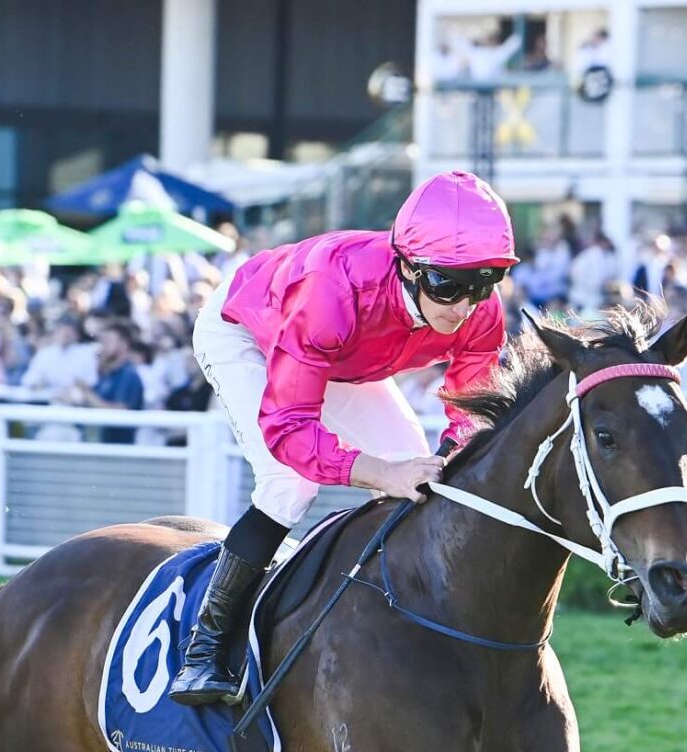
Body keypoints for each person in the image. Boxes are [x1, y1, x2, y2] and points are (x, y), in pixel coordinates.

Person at [171, 170, 515, 705]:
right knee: (290, 485)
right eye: (448, 285)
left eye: (484, 281)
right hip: (249, 331)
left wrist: (442, 458)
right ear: (408, 265)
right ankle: (205, 649)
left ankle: (405, 631)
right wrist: (382, 473)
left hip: (341, 358)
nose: (463, 305)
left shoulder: (480, 312)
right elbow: (290, 429)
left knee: (420, 476)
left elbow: (470, 409)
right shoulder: (331, 290)